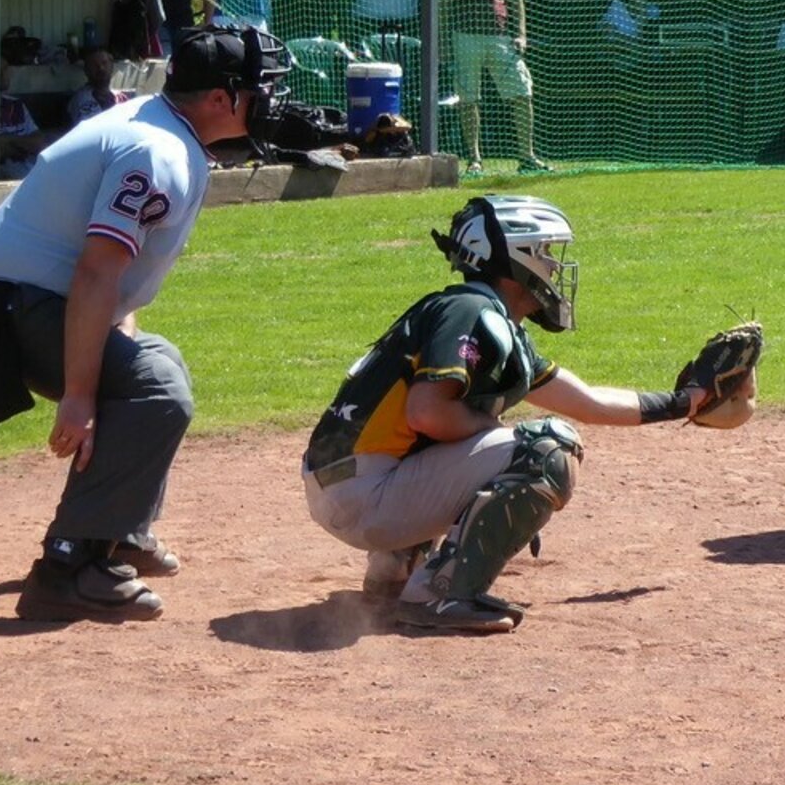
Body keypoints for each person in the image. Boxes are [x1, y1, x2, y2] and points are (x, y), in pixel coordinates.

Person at [0, 29, 290, 622]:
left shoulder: (161, 129)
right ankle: (69, 566)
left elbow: (116, 288)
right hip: (2, 305)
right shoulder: (155, 150)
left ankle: (120, 532)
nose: (269, 102)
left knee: (158, 365)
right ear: (219, 100)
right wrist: (80, 397)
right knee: (157, 388)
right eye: (258, 91)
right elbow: (96, 274)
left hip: (14, 298)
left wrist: (104, 377)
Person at [301, 195, 720, 632]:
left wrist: (686, 401)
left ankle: (394, 574)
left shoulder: (485, 319)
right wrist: (500, 451)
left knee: (507, 444)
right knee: (545, 449)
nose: (554, 267)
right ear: (515, 257)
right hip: (367, 496)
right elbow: (426, 412)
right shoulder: (470, 311)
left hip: (349, 486)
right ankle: (437, 595)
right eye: (545, 252)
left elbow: (590, 402)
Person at [443, 0, 546, 176]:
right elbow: (445, 0)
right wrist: (442, 41)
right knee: (468, 99)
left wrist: (521, 33)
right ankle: (475, 159)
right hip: (464, 35)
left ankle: (527, 156)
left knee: (522, 92)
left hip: (500, 36)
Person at [67, 48, 131, 126]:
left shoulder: (121, 97)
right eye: (94, 65)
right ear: (86, 70)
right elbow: (93, 130)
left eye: (104, 63)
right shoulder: (81, 100)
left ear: (112, 66)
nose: (101, 68)